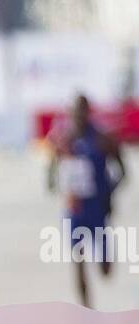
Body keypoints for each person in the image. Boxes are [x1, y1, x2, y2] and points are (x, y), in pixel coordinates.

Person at [47, 94, 127, 307]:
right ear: (69, 112)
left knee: (105, 270)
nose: (79, 116)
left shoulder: (104, 139)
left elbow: (123, 173)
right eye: (74, 111)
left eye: (83, 111)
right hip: (75, 211)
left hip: (97, 210)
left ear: (89, 112)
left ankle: (105, 262)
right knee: (78, 259)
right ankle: (87, 311)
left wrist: (109, 195)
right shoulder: (63, 139)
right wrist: (59, 185)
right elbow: (52, 172)